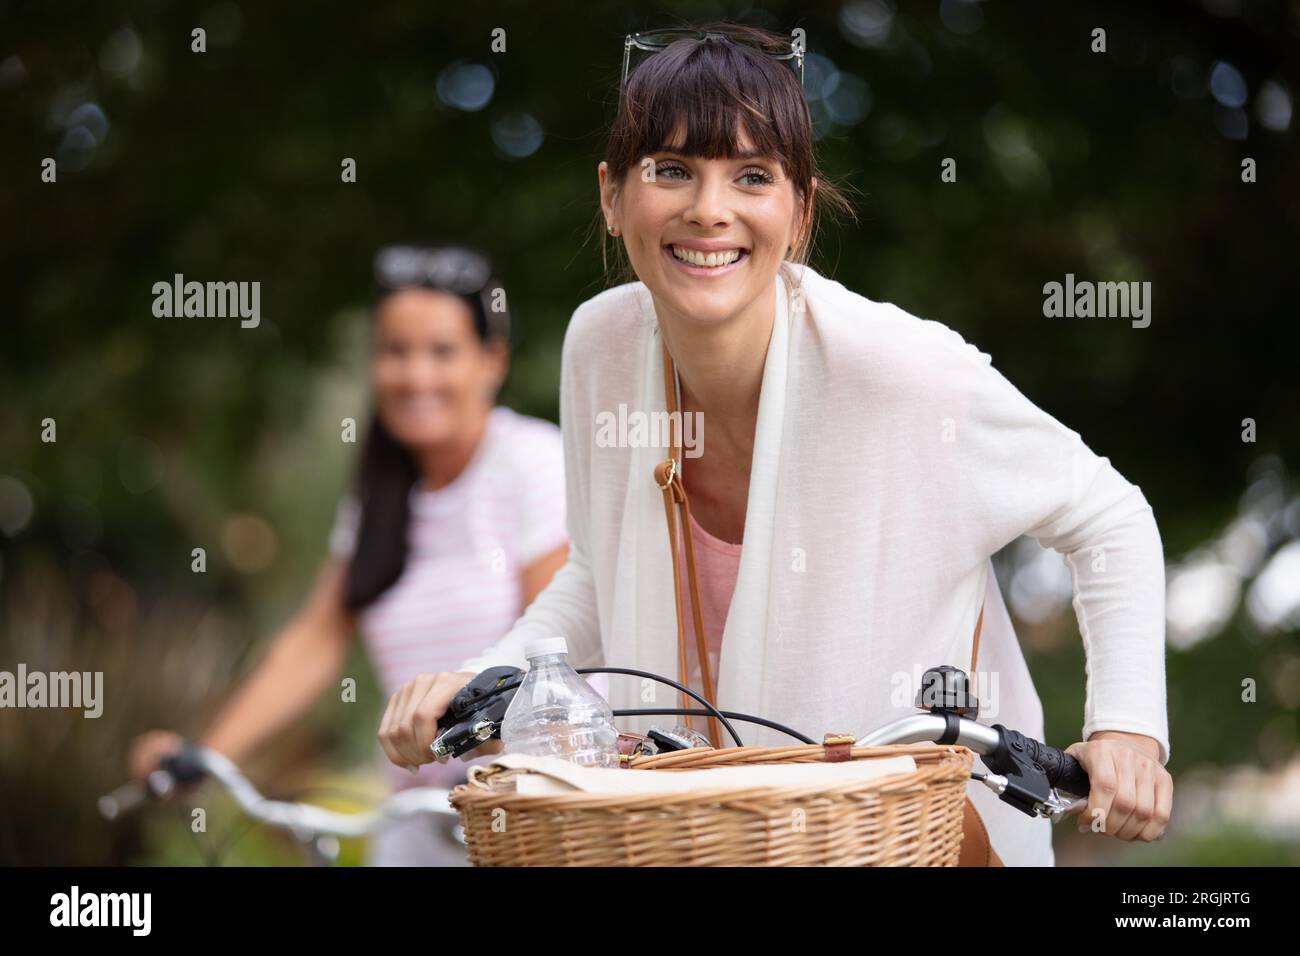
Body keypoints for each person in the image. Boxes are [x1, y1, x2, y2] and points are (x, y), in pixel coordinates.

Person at [378, 25, 1173, 866]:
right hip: (704, 834)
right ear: (612, 196)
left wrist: (1126, 730)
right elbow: (595, 574)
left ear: (797, 210)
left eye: (751, 176)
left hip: (909, 834)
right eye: (672, 170)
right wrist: (484, 679)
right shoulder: (599, 346)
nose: (710, 209)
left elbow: (1108, 515)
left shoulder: (898, 370)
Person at [129, 245, 570, 866]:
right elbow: (313, 641)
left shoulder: (531, 461)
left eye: (442, 351)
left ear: (491, 360)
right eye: (396, 351)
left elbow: (549, 634)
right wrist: (207, 755)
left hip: (532, 812)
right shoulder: (377, 501)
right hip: (420, 822)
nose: (416, 375)